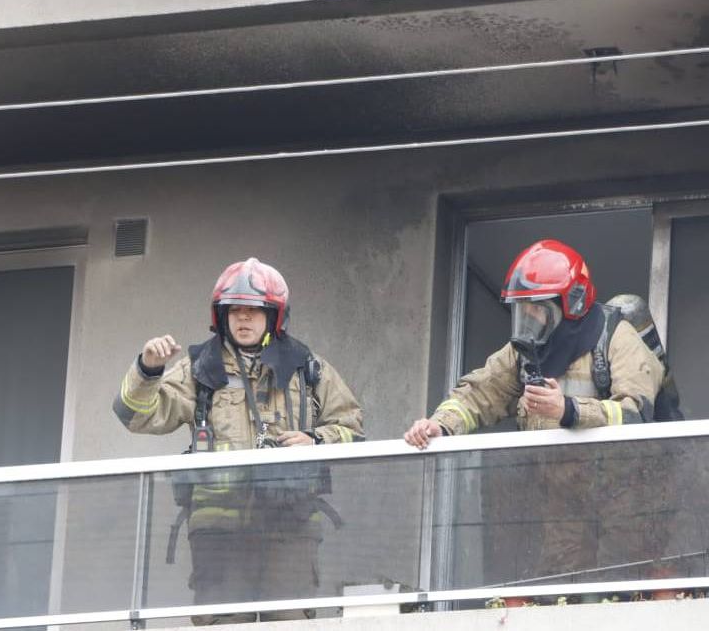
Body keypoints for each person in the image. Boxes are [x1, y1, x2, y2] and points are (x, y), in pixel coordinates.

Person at [113, 257, 363, 625]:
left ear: (274, 316)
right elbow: (136, 415)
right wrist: (148, 369)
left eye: (253, 310)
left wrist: (316, 440)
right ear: (222, 316)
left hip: (289, 526)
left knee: (290, 621)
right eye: (235, 311)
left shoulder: (307, 368)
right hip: (219, 533)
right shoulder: (200, 368)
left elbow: (353, 428)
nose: (243, 318)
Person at [403, 239, 665, 579]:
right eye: (521, 310)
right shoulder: (524, 353)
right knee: (559, 595)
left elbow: (635, 414)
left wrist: (569, 410)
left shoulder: (615, 338)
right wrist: (440, 425)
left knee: (624, 586)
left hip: (626, 507)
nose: (527, 320)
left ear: (569, 304)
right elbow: (478, 393)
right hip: (559, 511)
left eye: (537, 308)